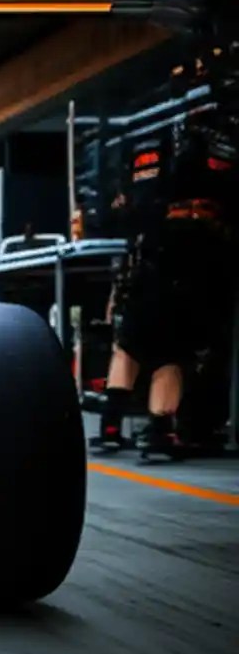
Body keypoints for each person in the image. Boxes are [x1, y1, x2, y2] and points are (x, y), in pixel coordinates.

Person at [92, 46, 237, 457]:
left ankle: (110, 427)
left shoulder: (144, 144)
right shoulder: (211, 131)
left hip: (150, 249)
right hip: (193, 250)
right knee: (173, 347)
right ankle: (159, 431)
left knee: (132, 341)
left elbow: (120, 207)